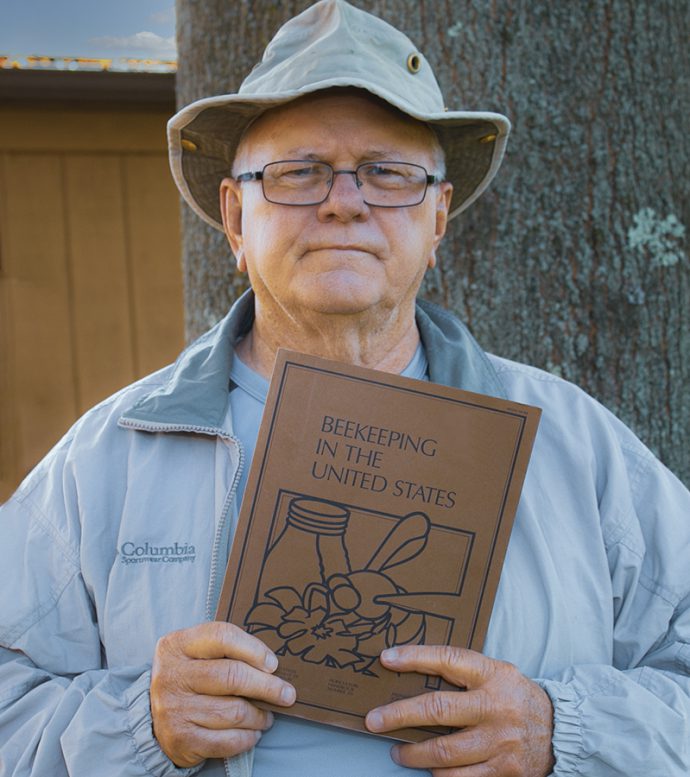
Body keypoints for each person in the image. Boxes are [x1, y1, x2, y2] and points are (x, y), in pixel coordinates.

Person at [1, 1, 688, 775]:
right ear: (235, 218)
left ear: (438, 218)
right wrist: (136, 723)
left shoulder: (573, 443)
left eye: (388, 173)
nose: (344, 201)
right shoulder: (108, 459)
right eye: (298, 172)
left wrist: (562, 730)